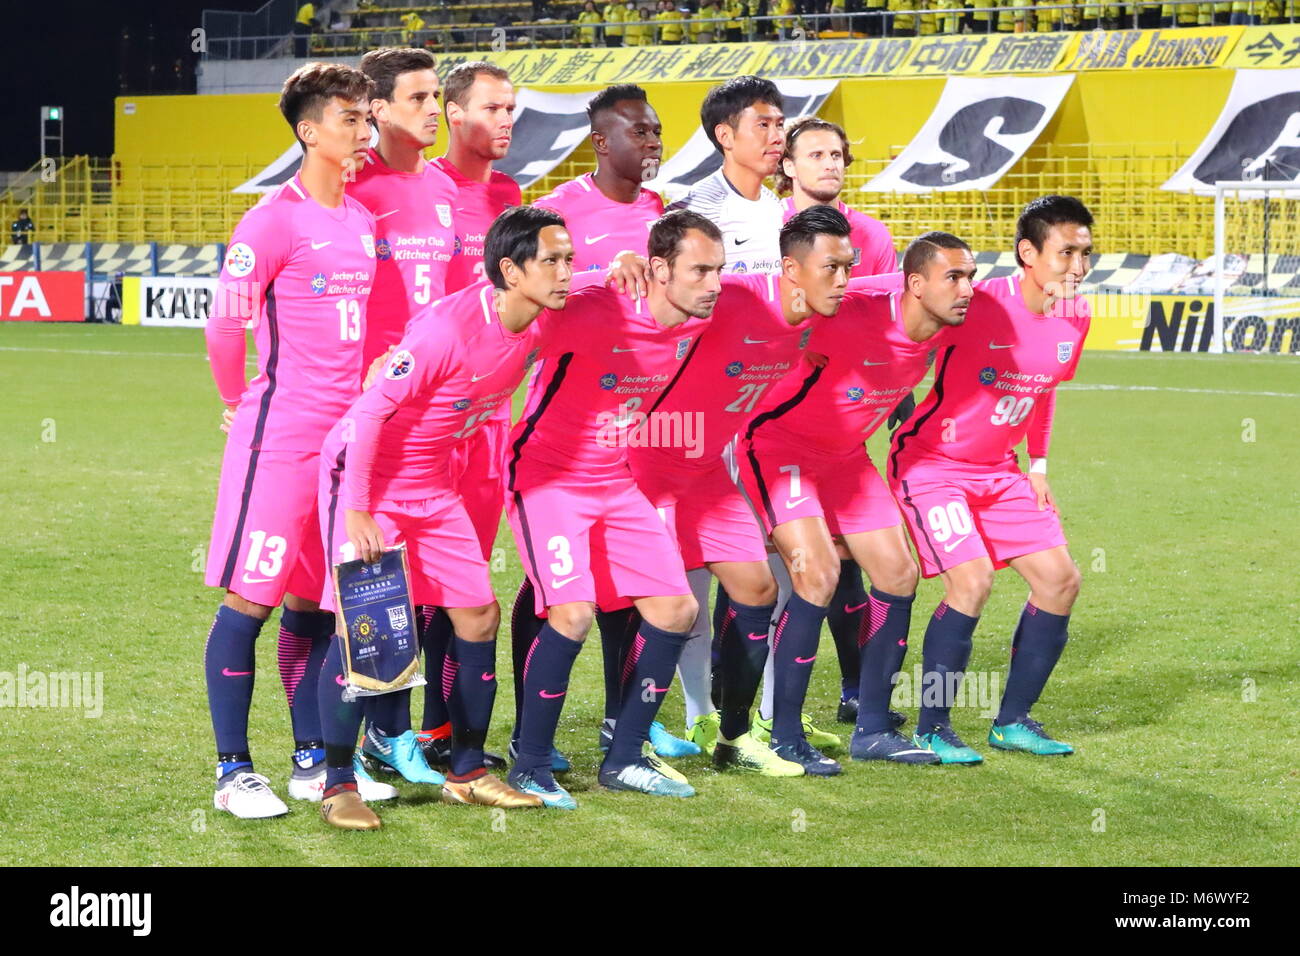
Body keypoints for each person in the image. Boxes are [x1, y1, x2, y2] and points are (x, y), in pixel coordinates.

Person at [312, 207, 576, 828]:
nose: (567, 272)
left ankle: (467, 772)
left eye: (570, 259)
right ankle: (337, 782)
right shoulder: (448, 330)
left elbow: (599, 295)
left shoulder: (539, 323)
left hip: (435, 487)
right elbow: (372, 416)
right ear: (511, 271)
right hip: (370, 483)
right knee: (365, 634)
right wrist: (358, 511)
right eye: (554, 261)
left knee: (478, 614)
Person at [629, 207, 885, 775]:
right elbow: (635, 301)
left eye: (849, 267)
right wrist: (620, 267)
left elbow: (892, 286)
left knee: (757, 588)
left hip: (708, 472)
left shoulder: (821, 314)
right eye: (831, 268)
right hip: (650, 461)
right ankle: (631, 742)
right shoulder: (738, 296)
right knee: (657, 604)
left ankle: (735, 737)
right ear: (793, 269)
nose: (843, 280)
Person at [200, 62, 380, 819]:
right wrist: (239, 403)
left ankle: (313, 759)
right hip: (279, 444)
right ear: (309, 130)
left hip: (341, 451)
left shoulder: (364, 221)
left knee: (315, 604)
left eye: (367, 117)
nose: (363, 130)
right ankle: (233, 771)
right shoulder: (272, 219)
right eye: (349, 117)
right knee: (253, 600)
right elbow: (225, 322)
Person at [504, 211, 720, 809]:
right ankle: (529, 765)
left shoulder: (699, 321)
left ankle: (623, 758)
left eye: (718, 270)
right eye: (700, 270)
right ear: (657, 269)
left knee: (677, 608)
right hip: (546, 479)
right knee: (571, 615)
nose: (714, 283)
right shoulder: (591, 303)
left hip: (615, 482)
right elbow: (511, 310)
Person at [742, 229, 979, 766]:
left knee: (898, 573)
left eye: (970, 277)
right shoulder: (851, 306)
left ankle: (872, 728)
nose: (967, 290)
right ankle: (782, 735)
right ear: (915, 284)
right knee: (818, 576)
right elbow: (760, 295)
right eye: (954, 278)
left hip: (847, 457)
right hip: (781, 448)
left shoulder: (951, 321)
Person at [889, 195, 1092, 763]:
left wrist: (1040, 465)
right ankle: (933, 726)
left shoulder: (1075, 314)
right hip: (931, 465)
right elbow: (898, 327)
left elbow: (1042, 390)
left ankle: (1013, 721)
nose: (1077, 268)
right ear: (1028, 252)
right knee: (972, 582)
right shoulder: (975, 302)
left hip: (1001, 473)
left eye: (1085, 254)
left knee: (1060, 581)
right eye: (1065, 254)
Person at [341, 47, 464, 783]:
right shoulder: (355, 184)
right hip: (368, 415)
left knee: (409, 586)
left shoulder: (444, 186)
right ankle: (330, 756)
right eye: (417, 98)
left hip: (433, 415)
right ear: (377, 109)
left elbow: (450, 301)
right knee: (362, 586)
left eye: (435, 97)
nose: (432, 110)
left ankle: (388, 737)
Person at [774, 114, 906, 725]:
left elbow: (887, 335)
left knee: (844, 559)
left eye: (839, 154)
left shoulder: (871, 237)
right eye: (817, 153)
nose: (831, 163)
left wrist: (894, 422)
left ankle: (857, 687)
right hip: (769, 420)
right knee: (762, 566)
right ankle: (739, 695)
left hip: (842, 421)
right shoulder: (762, 230)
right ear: (788, 165)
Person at [416, 62, 522, 766]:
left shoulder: (512, 197)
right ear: (454, 115)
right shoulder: (419, 190)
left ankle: (450, 727)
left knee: (469, 580)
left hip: (488, 424)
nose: (508, 120)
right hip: (421, 422)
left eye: (513, 108)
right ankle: (404, 727)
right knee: (410, 586)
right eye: (493, 108)